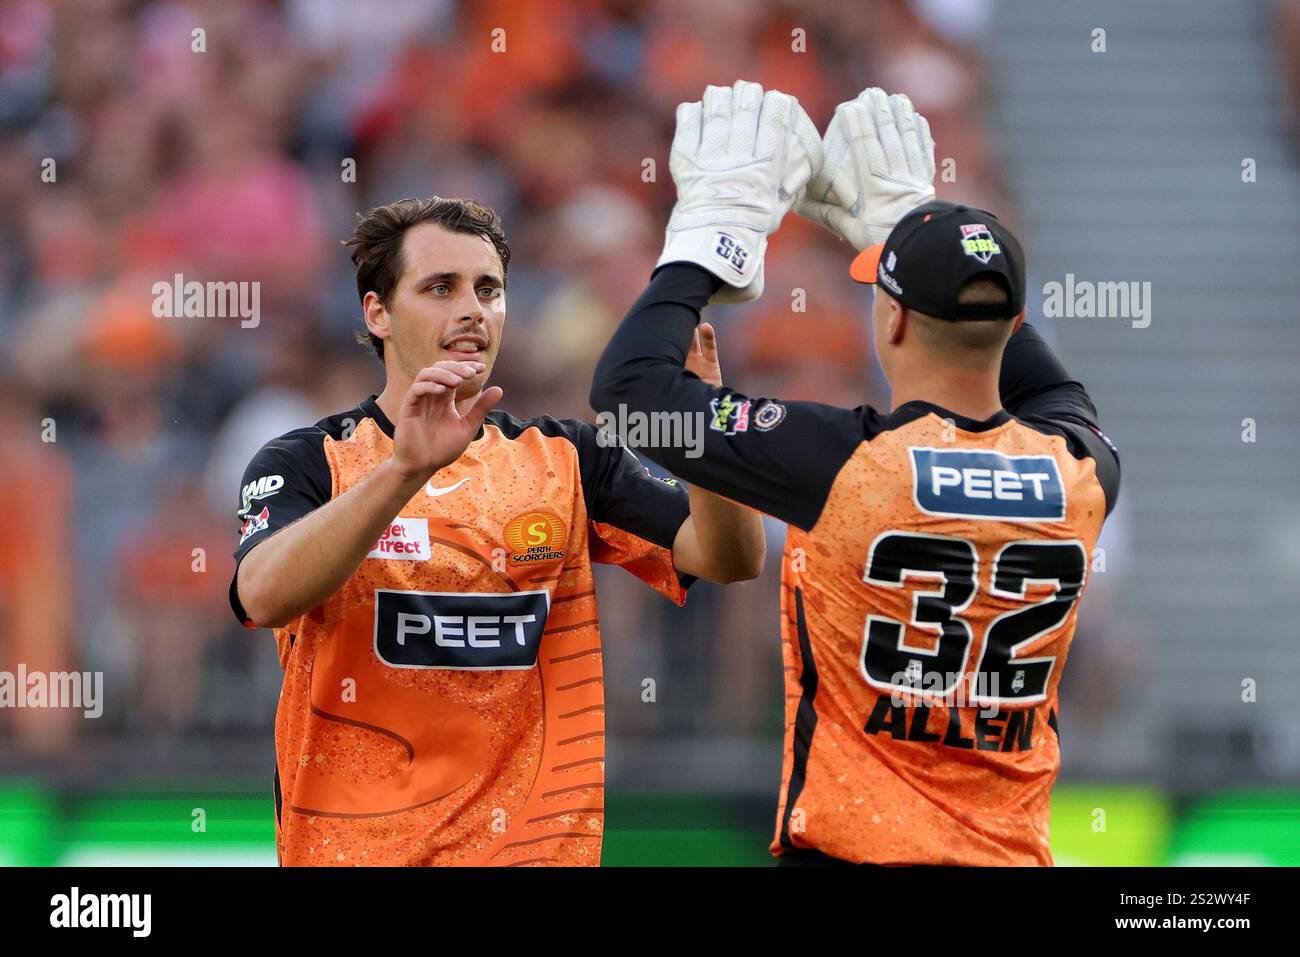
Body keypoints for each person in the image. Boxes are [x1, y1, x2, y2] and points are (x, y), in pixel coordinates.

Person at [591, 82, 1120, 865]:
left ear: (894, 317)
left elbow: (629, 400)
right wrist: (917, 224)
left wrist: (707, 240)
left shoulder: (844, 462)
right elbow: (1054, 393)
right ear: (1012, 326)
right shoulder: (1082, 470)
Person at [228, 196, 764, 866]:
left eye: (489, 289)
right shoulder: (309, 459)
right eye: (439, 287)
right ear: (378, 313)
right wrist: (404, 472)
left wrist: (708, 431)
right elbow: (261, 595)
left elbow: (731, 557)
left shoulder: (567, 459)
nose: (472, 309)